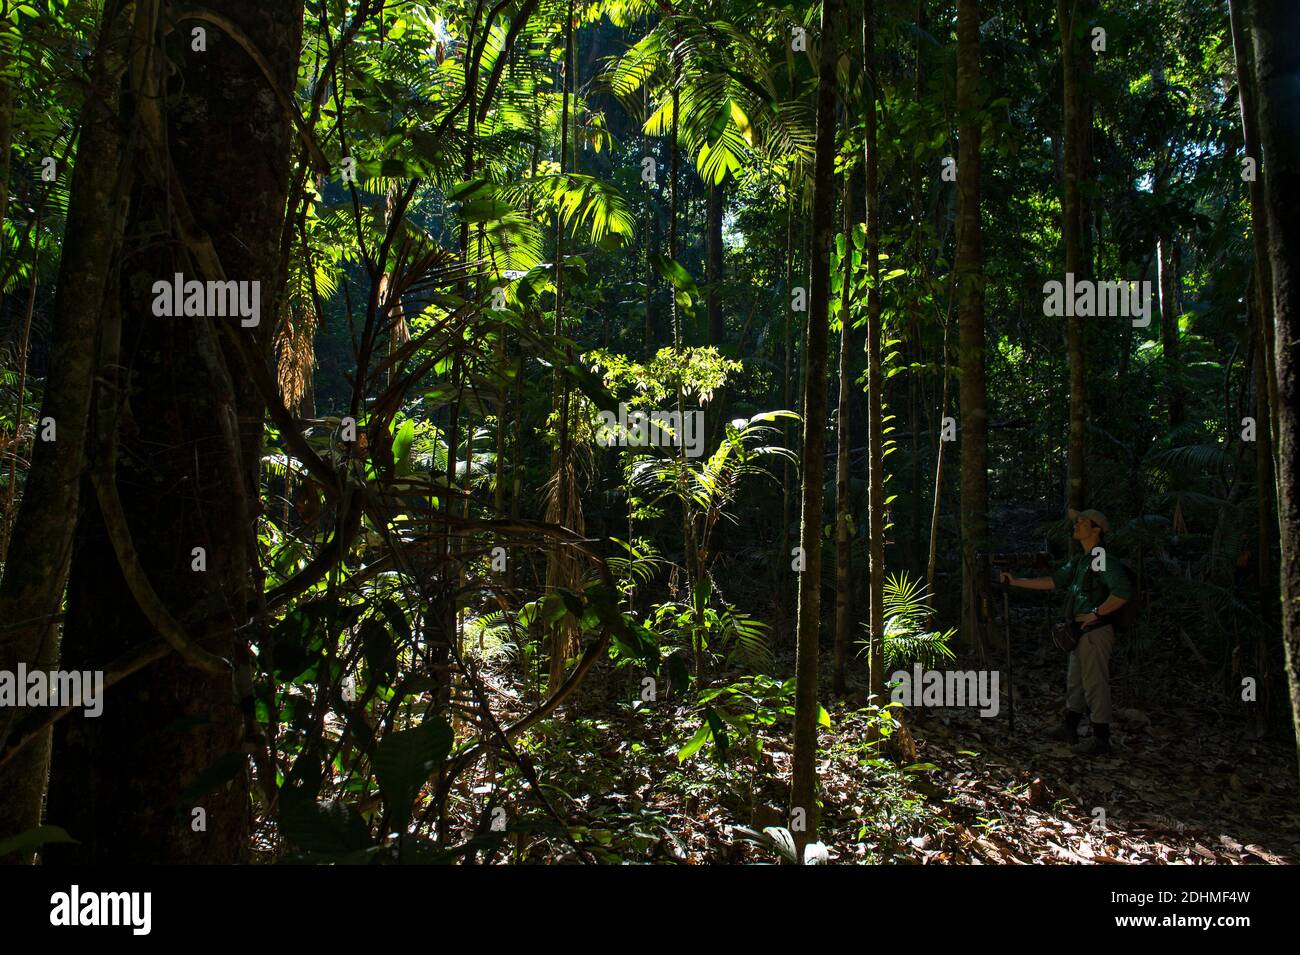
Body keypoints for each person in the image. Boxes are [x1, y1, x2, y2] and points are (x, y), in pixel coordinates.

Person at [1000, 509, 1132, 756]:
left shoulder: (1100, 557)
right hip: (1079, 631)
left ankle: (1101, 740)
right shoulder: (1082, 560)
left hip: (1095, 631)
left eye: (1083, 521)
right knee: (1076, 682)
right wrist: (1015, 581)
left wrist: (1097, 613)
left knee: (1094, 684)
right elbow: (1053, 581)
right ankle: (1069, 728)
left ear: (1096, 530)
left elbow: (1122, 591)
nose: (1077, 524)